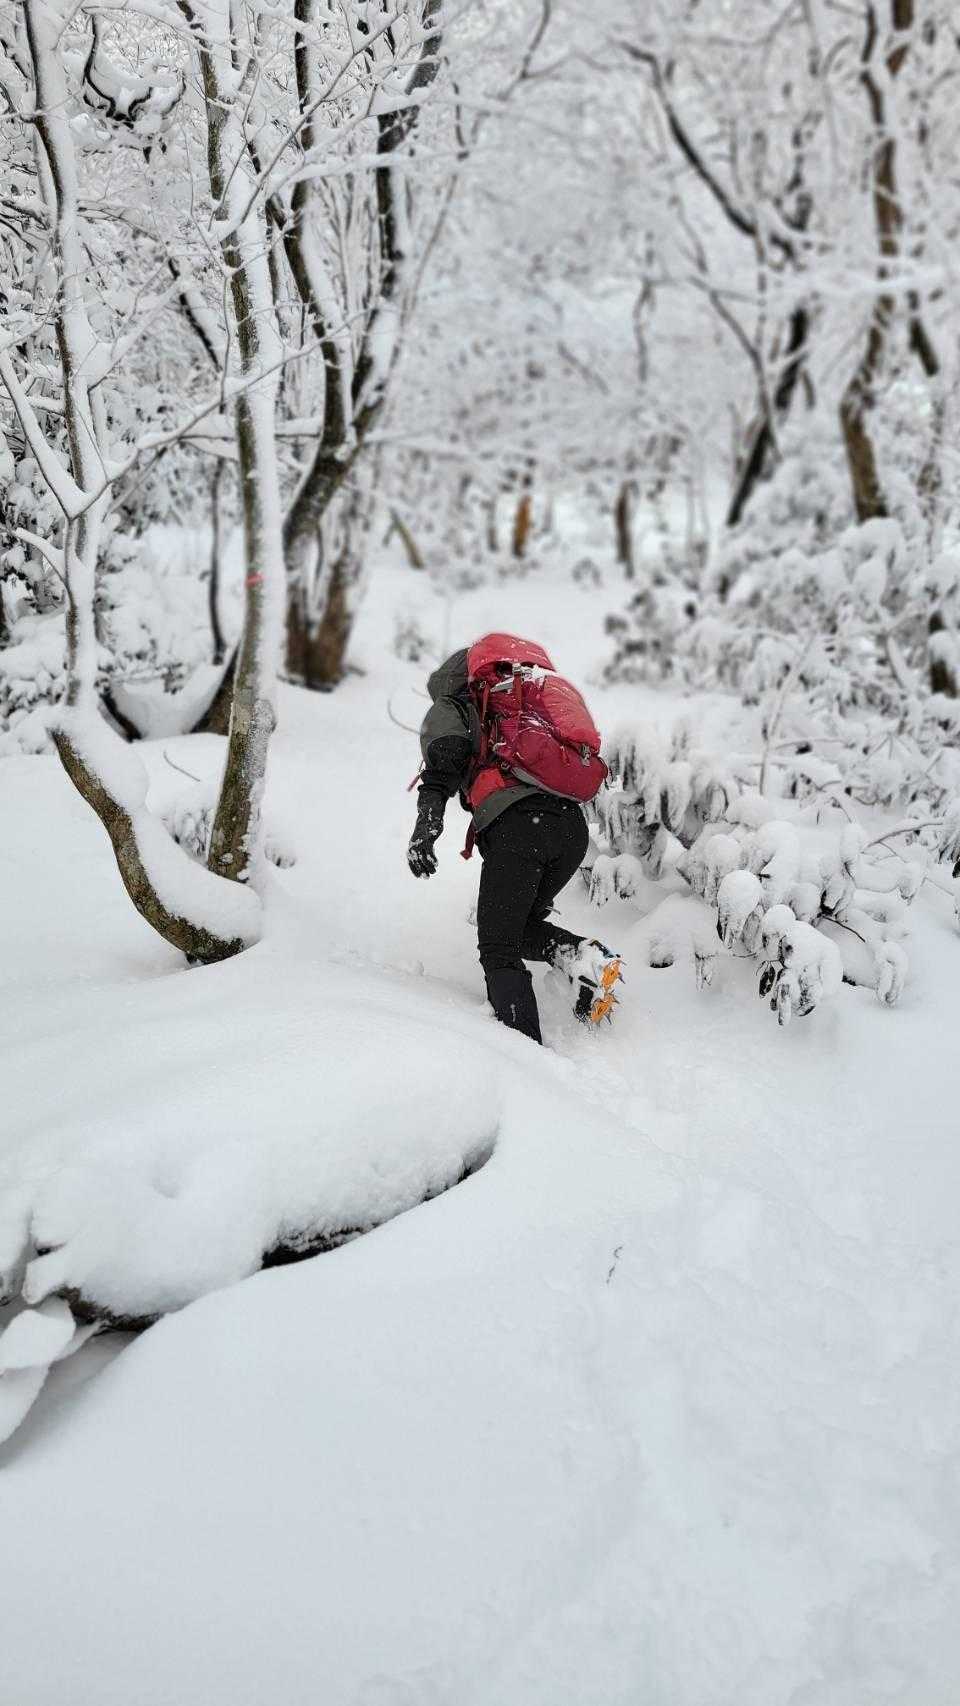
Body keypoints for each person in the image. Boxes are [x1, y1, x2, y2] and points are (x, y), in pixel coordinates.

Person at [407, 637, 621, 1045]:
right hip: (571, 832)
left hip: (520, 829)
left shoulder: (456, 707)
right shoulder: (523, 711)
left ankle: (524, 1060)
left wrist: (425, 831)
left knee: (498, 948)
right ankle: (583, 957)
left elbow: (442, 766)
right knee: (520, 928)